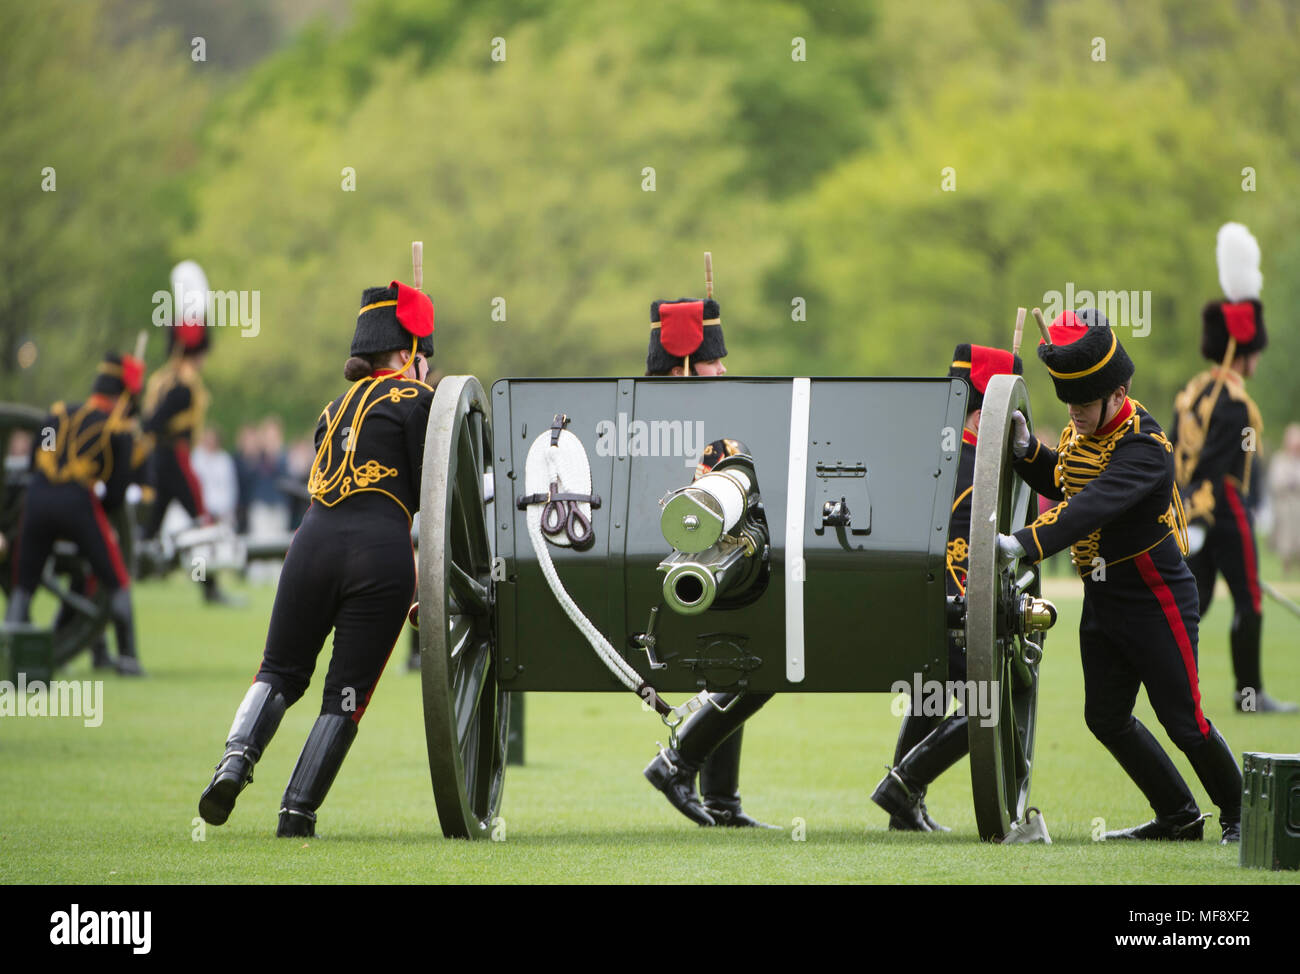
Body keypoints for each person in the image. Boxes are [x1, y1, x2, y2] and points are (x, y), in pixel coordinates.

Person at [198, 279, 435, 837]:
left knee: (279, 669)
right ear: (407, 355)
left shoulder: (333, 408)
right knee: (345, 693)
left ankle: (234, 761)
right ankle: (296, 811)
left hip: (312, 542)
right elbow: (437, 498)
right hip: (380, 552)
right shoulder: (420, 401)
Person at [999, 309, 1242, 843]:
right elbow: (1065, 479)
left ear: (1118, 391)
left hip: (1157, 598)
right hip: (1104, 598)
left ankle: (1241, 814)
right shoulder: (1080, 434)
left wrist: (1024, 542)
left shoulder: (1145, 446)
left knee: (1186, 720)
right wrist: (1026, 452)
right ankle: (1179, 816)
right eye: (1069, 402)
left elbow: (1093, 505)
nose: (1075, 412)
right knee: (1106, 718)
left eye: (1084, 402)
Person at [637, 293, 777, 829]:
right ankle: (677, 763)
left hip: (703, 568)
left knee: (738, 661)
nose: (724, 369)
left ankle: (721, 801)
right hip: (690, 567)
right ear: (687, 366)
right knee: (758, 663)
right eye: (714, 360)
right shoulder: (709, 432)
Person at [870, 343, 1022, 831]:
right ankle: (904, 782)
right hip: (954, 602)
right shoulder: (975, 465)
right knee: (988, 703)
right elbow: (963, 551)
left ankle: (904, 809)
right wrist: (972, 616)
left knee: (930, 696)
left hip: (912, 599)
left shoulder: (937, 450)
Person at [1171, 223, 1295, 713]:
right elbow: (1216, 467)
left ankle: (1184, 692)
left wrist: (1190, 515)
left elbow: (1183, 460)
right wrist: (1218, 514)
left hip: (1194, 512)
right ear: (1242, 349)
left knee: (1193, 604)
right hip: (1225, 507)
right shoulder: (1233, 403)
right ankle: (1250, 695)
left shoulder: (1194, 391)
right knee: (1249, 601)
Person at [5, 352, 148, 675]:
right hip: (77, 504)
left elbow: (33, 463)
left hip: (37, 501)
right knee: (116, 577)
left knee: (24, 585)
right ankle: (128, 658)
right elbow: (116, 491)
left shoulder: (57, 413)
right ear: (122, 394)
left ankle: (10, 657)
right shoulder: (116, 429)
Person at [140, 260, 223, 602]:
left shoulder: (163, 378)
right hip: (176, 458)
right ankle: (211, 589)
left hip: (161, 461)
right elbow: (154, 423)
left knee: (150, 529)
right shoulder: (182, 385)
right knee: (201, 523)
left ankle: (130, 575)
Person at [1268, 423, 1300, 576]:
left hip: (1298, 504)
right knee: (1286, 540)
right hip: (1285, 506)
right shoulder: (1279, 459)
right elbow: (1276, 482)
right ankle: (1287, 569)